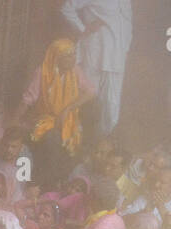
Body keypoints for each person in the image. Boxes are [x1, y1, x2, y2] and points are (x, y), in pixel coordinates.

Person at [14, 38, 95, 189]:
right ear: (57, 58)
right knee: (52, 139)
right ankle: (47, 184)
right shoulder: (42, 72)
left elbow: (91, 91)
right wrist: (15, 121)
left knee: (75, 139)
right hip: (45, 119)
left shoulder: (75, 71)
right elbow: (28, 99)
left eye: (74, 54)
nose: (73, 59)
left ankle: (61, 180)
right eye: (68, 56)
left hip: (68, 118)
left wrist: (68, 108)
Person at [60, 0, 132, 137]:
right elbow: (66, 8)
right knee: (88, 98)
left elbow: (128, 23)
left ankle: (105, 142)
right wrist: (82, 28)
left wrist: (126, 48)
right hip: (94, 53)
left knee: (112, 103)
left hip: (117, 57)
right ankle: (79, 139)